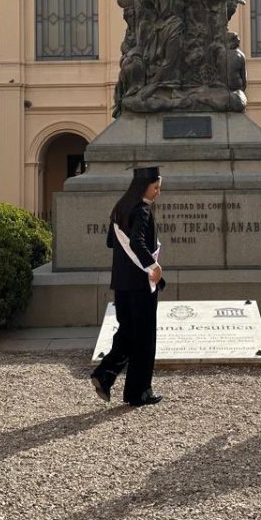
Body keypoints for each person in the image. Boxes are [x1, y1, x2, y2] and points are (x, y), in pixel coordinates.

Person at [91, 166, 166, 407]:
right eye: (156, 187)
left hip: (122, 284)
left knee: (127, 333)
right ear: (145, 187)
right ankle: (139, 392)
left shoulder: (120, 208)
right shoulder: (142, 209)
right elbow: (136, 242)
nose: (158, 192)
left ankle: (105, 374)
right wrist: (153, 266)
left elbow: (111, 242)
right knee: (144, 339)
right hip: (140, 284)